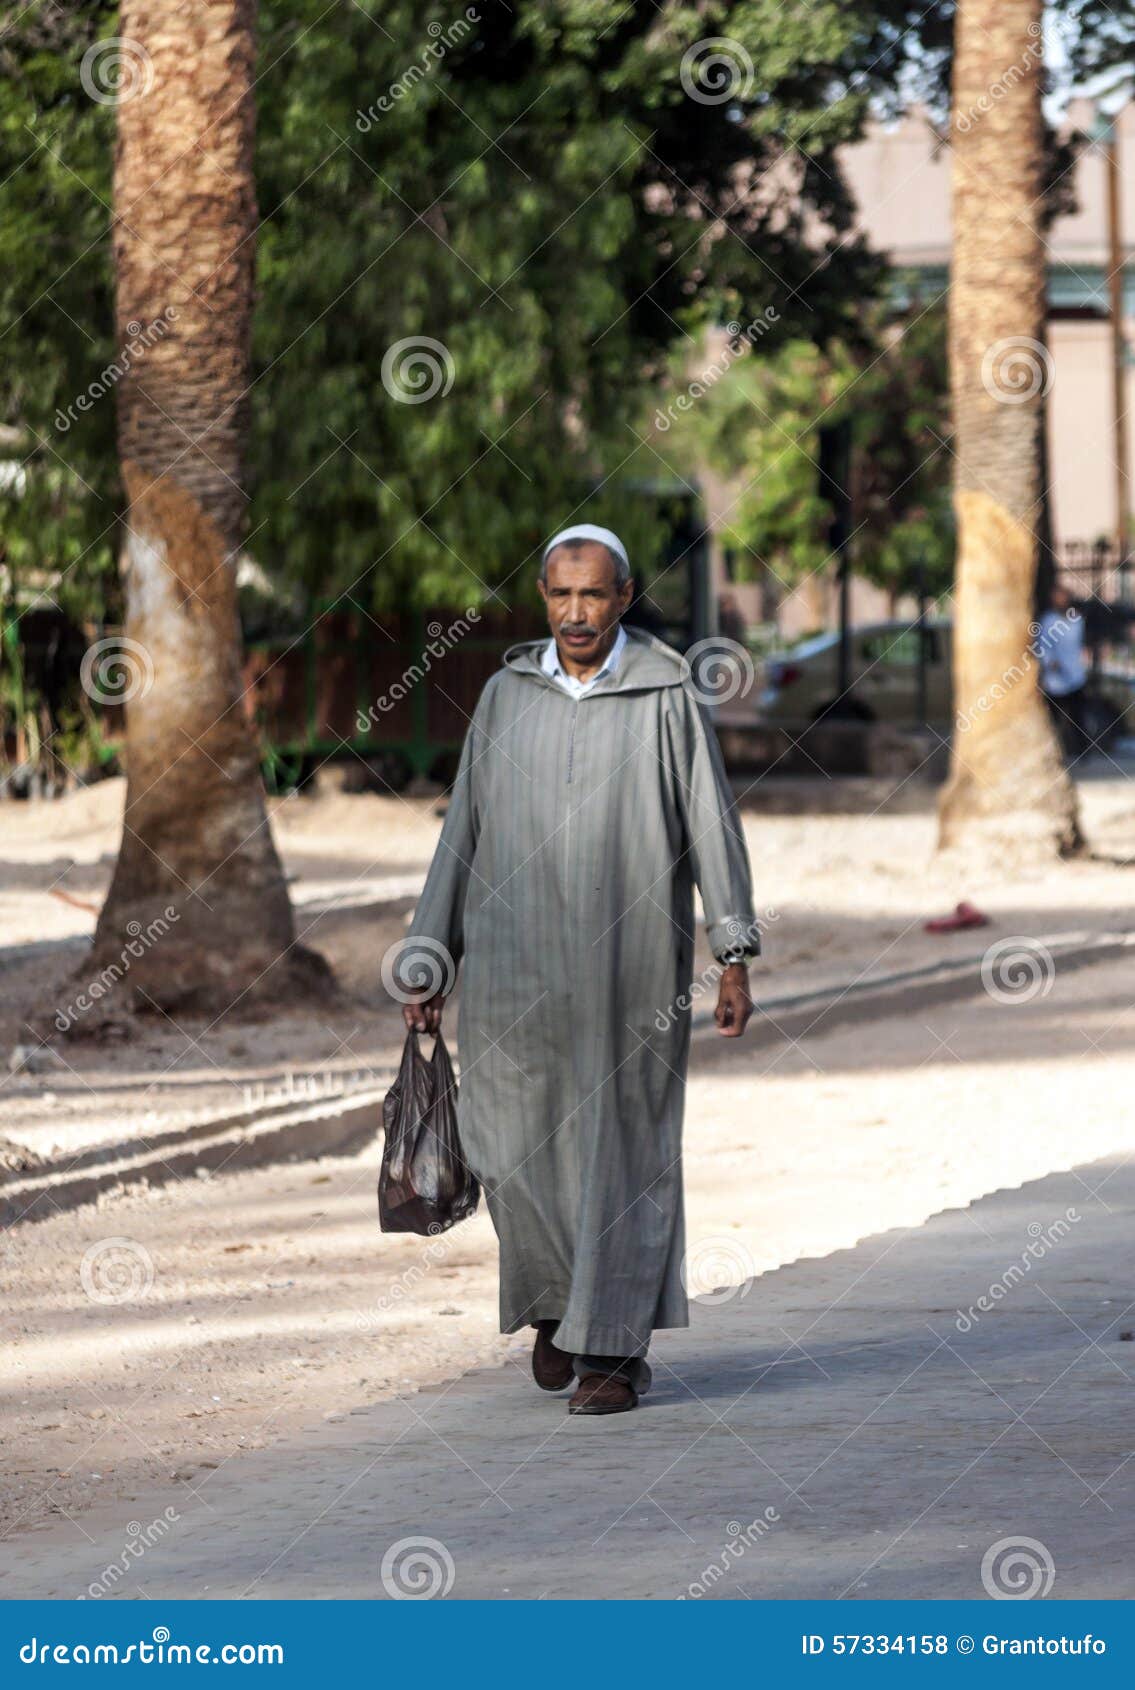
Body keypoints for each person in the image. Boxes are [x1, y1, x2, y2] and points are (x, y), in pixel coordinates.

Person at [398, 523, 758, 1416]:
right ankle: (558, 1306)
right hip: (510, 965)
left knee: (617, 1149)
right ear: (543, 598)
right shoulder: (506, 694)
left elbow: (710, 822)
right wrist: (428, 956)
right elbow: (462, 831)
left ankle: (613, 1350)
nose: (575, 613)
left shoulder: (665, 691)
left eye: (593, 594)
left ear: (623, 597)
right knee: (509, 1144)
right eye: (560, 595)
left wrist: (732, 953)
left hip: (626, 969)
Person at [1036, 584, 1089, 758]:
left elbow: (1078, 645)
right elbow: (1043, 647)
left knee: (1078, 717)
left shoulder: (1076, 620)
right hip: (1054, 681)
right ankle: (1055, 753)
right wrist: (1050, 663)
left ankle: (1082, 751)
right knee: (1054, 720)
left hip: (1075, 677)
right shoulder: (1048, 620)